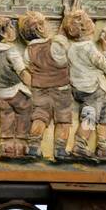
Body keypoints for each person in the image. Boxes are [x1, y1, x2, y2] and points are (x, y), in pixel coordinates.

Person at [62, 10, 106, 164]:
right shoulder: (89, 47)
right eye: (90, 20)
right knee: (94, 117)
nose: (93, 22)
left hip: (81, 88)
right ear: (85, 28)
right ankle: (82, 146)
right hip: (95, 89)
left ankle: (103, 147)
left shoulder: (71, 48)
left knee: (101, 116)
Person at [18, 11, 72, 163]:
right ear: (41, 29)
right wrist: (65, 20)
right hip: (61, 90)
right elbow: (63, 57)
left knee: (39, 117)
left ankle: (34, 146)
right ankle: (60, 150)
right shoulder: (54, 45)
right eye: (45, 23)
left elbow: (28, 68)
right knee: (63, 120)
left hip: (39, 91)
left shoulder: (28, 51)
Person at [0, 15, 32, 160]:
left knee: (7, 114)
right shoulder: (11, 51)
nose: (13, 29)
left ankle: (5, 144)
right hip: (14, 91)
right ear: (2, 33)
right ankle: (21, 143)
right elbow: (22, 72)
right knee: (25, 110)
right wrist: (32, 83)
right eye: (11, 27)